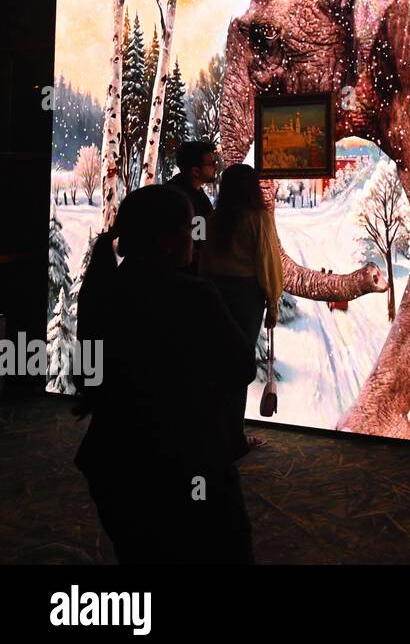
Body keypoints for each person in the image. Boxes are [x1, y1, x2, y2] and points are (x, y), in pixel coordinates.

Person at [73, 184, 256, 563]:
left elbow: (87, 377)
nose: (194, 237)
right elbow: (242, 367)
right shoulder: (196, 297)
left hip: (117, 468)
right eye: (189, 228)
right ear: (168, 240)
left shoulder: (102, 291)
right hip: (190, 467)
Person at [199, 163, 284, 452]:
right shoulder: (259, 219)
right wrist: (273, 304)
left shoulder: (214, 219)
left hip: (214, 295)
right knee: (238, 365)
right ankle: (234, 437)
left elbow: (203, 262)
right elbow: (268, 264)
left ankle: (214, 433)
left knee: (215, 365)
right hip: (246, 298)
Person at [167, 140, 217, 272]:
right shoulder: (175, 199)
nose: (215, 167)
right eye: (211, 164)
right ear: (195, 171)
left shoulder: (198, 193)